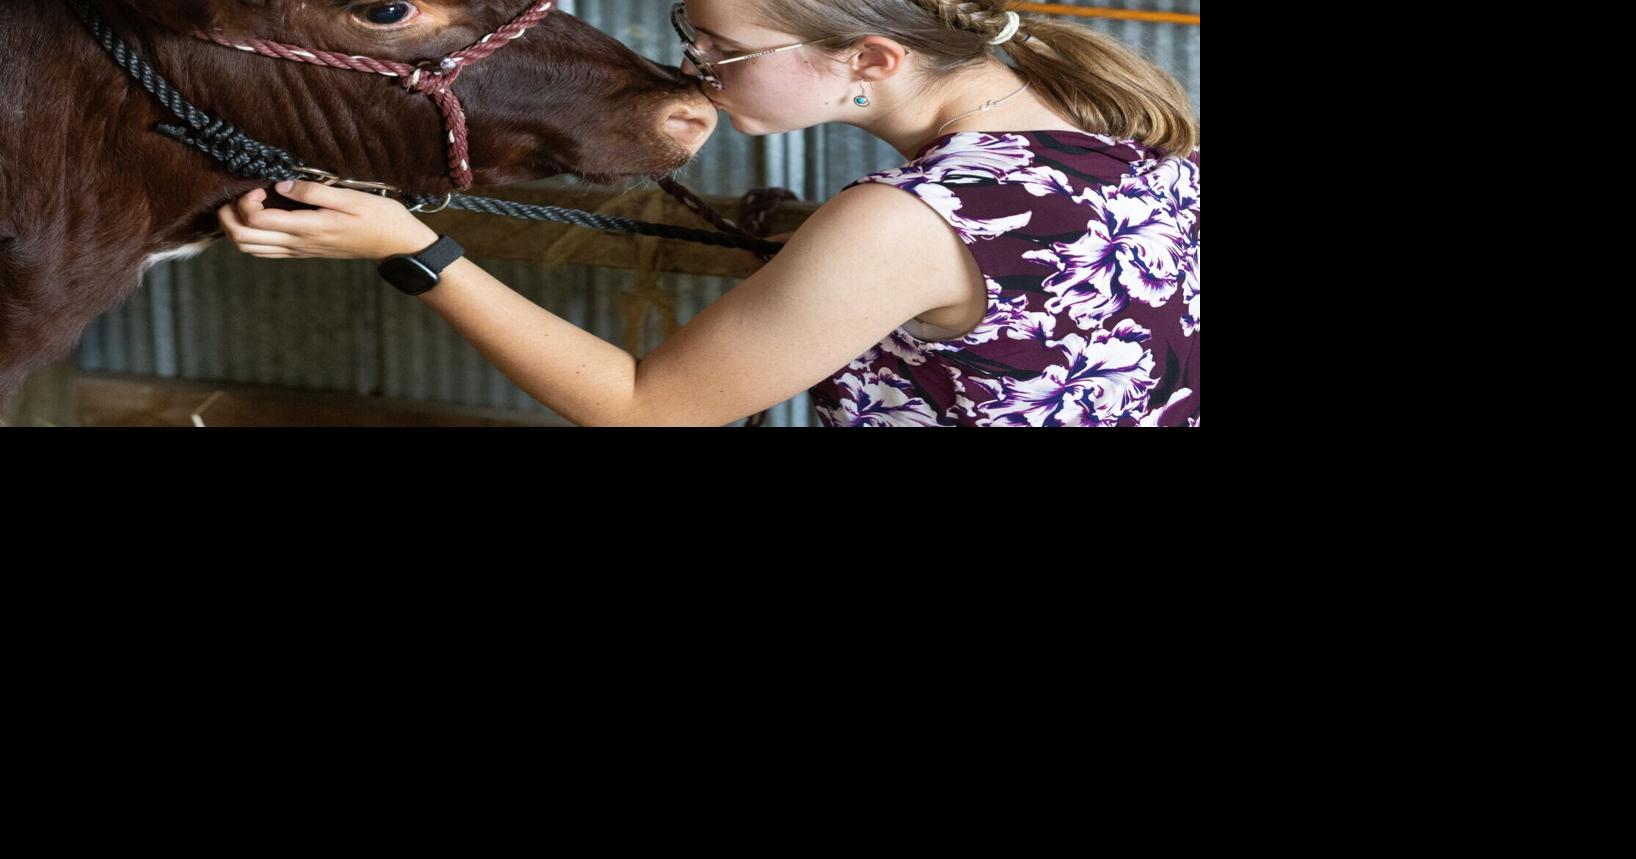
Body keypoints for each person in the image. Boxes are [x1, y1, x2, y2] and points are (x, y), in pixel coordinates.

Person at [218, 0, 1200, 427]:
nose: (694, 69)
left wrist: (416, 250)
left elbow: (644, 410)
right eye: (692, 34)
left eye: (724, 51)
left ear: (870, 61)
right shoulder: (1117, 119)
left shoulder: (906, 222)